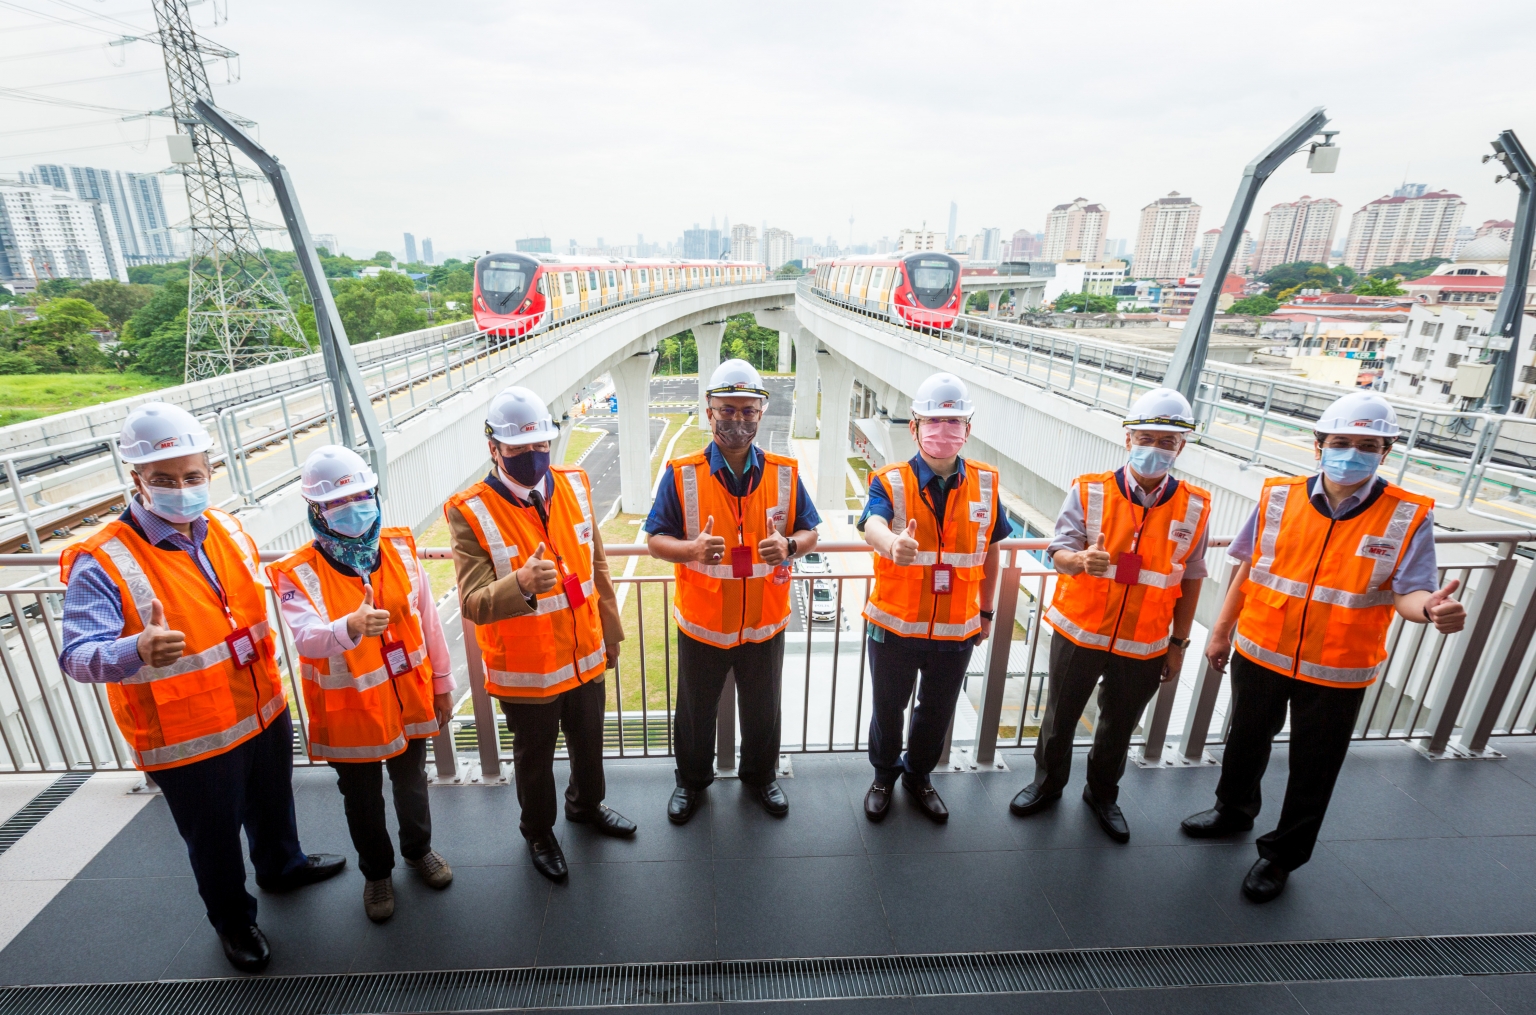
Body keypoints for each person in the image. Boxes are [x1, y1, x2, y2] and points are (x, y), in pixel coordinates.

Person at [58, 403, 344, 973]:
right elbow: (76, 655)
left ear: (209, 470)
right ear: (136, 479)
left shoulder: (228, 528)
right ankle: (234, 924)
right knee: (212, 839)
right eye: (163, 480)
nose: (181, 489)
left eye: (192, 476)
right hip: (189, 733)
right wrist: (133, 650)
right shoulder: (103, 560)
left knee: (272, 801)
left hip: (260, 707)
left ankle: (282, 866)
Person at [1181, 390, 1466, 902]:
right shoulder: (1278, 497)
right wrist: (1222, 631)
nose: (1351, 452)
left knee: (1315, 767)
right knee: (1244, 739)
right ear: (1318, 445)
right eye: (1340, 441)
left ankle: (1281, 856)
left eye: (1367, 444)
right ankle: (1232, 811)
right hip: (1262, 650)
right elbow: (1247, 569)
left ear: (1386, 452)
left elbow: (1409, 591)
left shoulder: (1406, 515)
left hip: (1337, 666)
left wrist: (1430, 609)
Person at [1009, 387, 1212, 842]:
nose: (1155, 448)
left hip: (1144, 640)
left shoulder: (1195, 505)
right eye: (1147, 437)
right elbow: (1058, 549)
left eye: (1167, 440)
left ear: (1182, 446)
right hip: (1080, 631)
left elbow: (1191, 576)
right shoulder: (1090, 489)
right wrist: (1079, 561)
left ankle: (1103, 795)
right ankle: (1046, 785)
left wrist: (1178, 644)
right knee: (1060, 719)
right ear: (1127, 438)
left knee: (1119, 726)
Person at [445, 385, 630, 883]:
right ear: (494, 449)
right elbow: (473, 601)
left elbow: (596, 566)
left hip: (585, 652)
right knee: (535, 760)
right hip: (527, 669)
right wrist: (521, 584)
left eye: (541, 446)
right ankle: (539, 832)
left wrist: (610, 633)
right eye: (519, 449)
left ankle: (587, 807)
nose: (534, 457)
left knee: (590, 744)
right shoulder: (469, 510)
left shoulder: (574, 484)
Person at [267, 446, 455, 923]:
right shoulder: (297, 573)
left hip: (407, 697)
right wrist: (348, 627)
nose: (353, 507)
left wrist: (442, 682)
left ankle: (419, 851)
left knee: (413, 783)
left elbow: (428, 622)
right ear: (315, 510)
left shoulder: (398, 548)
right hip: (349, 711)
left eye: (360, 494)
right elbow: (307, 639)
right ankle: (377, 873)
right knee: (362, 799)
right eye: (336, 501)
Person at [646, 359, 820, 824]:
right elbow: (654, 539)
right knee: (695, 713)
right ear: (709, 412)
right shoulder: (682, 473)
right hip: (703, 622)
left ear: (761, 412)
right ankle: (691, 783)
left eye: (748, 410)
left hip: (765, 621)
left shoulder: (784, 472)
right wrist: (692, 550)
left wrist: (788, 545)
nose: (738, 419)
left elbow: (810, 534)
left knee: (764, 710)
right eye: (728, 409)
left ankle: (761, 777)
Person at [859, 373, 1009, 823]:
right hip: (894, 625)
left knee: (937, 710)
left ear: (968, 428)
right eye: (933, 422)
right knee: (889, 708)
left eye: (954, 422)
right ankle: (884, 776)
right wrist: (891, 544)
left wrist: (986, 613)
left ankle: (919, 777)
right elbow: (871, 524)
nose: (943, 433)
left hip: (956, 629)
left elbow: (991, 553)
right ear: (913, 426)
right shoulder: (890, 481)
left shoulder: (986, 484)